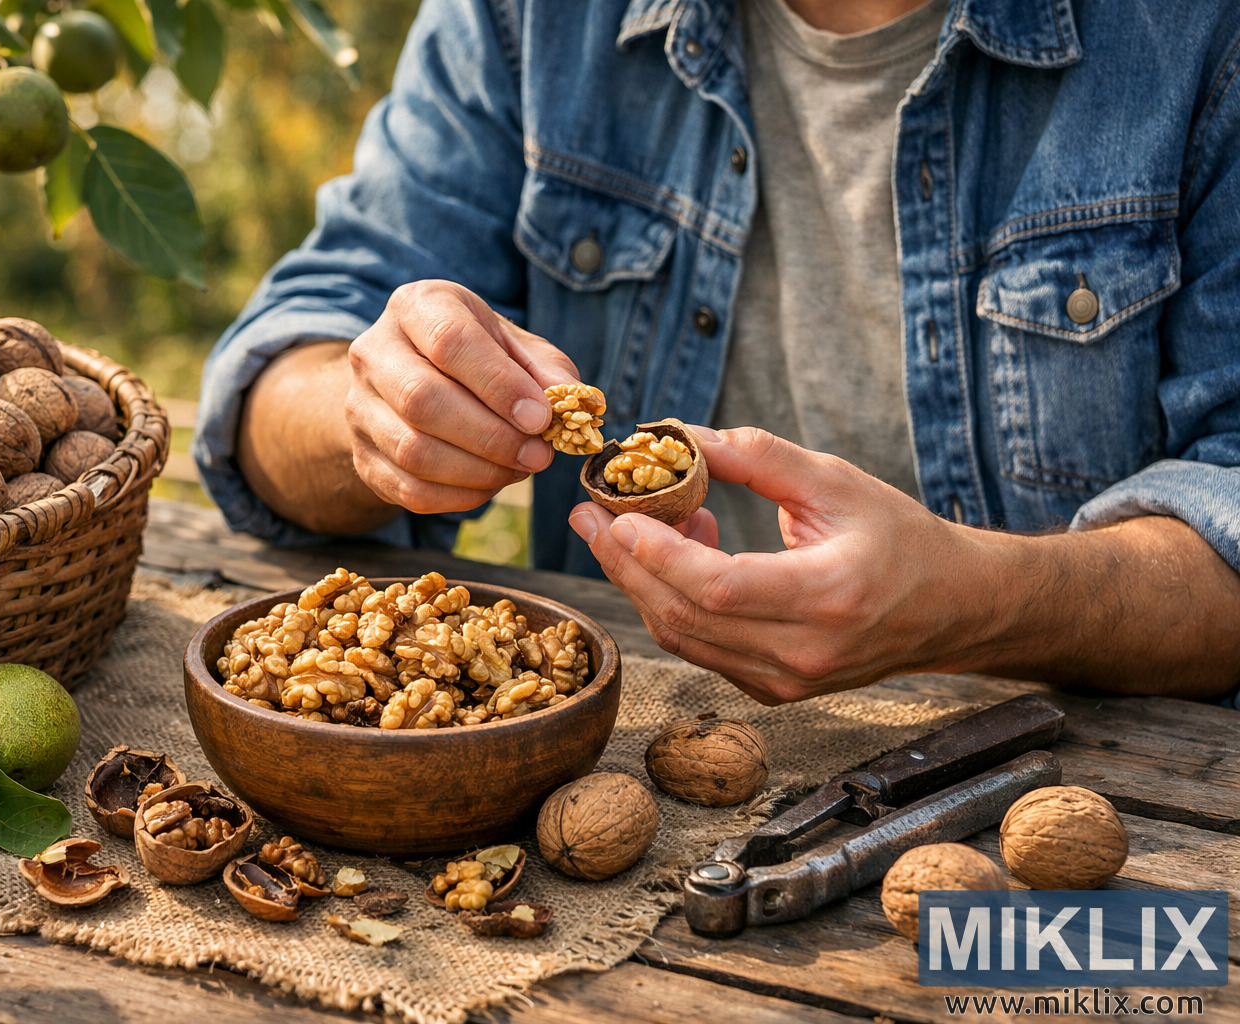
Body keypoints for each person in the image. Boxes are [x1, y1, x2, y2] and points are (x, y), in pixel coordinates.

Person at [194, 0, 1240, 705]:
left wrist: (983, 604)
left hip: (1083, 790)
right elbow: (281, 376)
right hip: (626, 743)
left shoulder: (1196, 37)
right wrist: (366, 416)